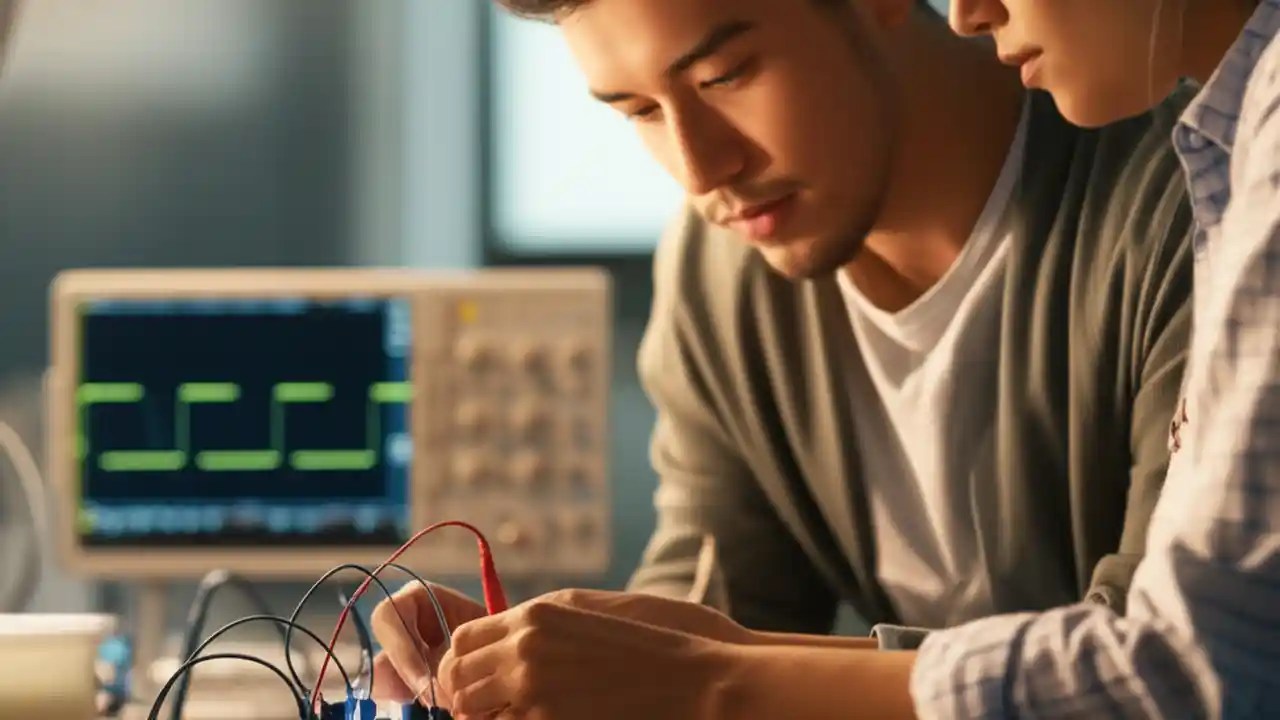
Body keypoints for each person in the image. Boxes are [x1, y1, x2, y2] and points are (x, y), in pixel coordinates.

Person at [371, 0, 1202, 715]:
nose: (702, 171)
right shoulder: (719, 274)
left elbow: (1158, 668)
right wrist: (546, 662)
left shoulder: (1200, 202)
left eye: (725, 75)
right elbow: (716, 613)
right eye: (640, 111)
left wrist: (707, 678)